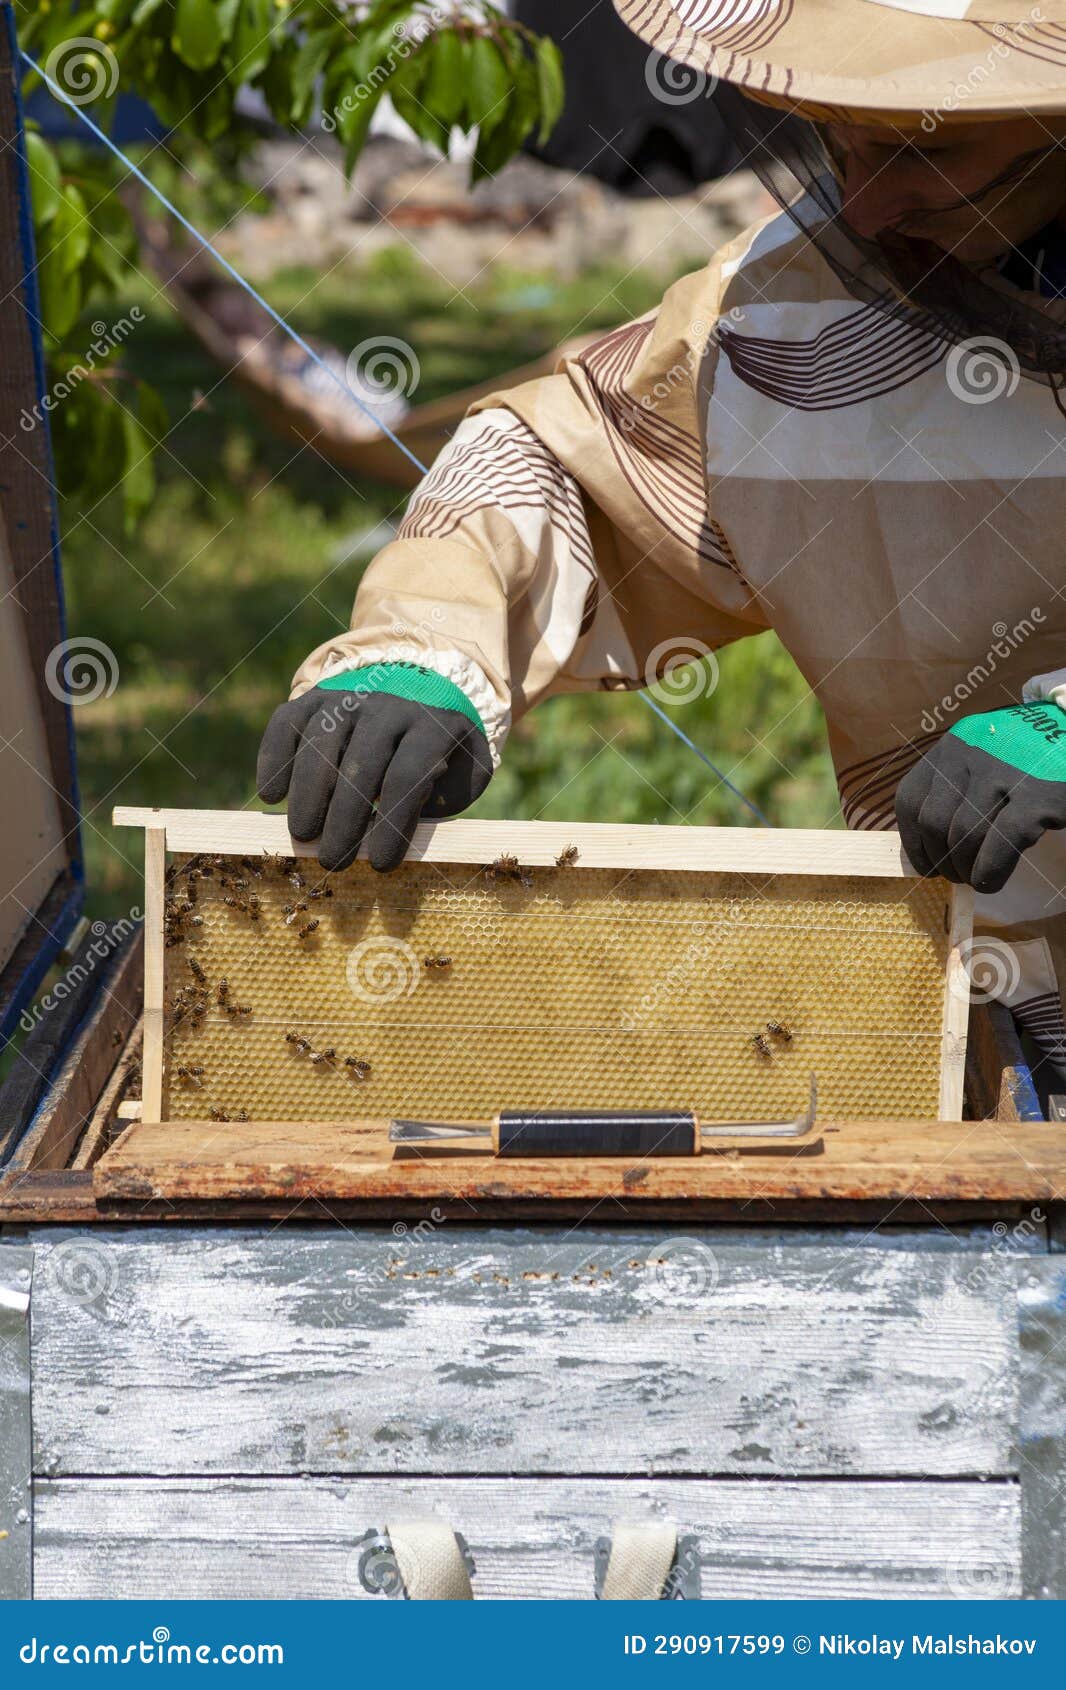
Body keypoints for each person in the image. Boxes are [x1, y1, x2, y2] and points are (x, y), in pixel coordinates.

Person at [257, 0, 1066, 1080]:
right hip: (991, 1005)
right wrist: (428, 647)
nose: (866, 204)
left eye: (929, 150)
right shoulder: (784, 304)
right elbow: (575, 458)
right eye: (842, 141)